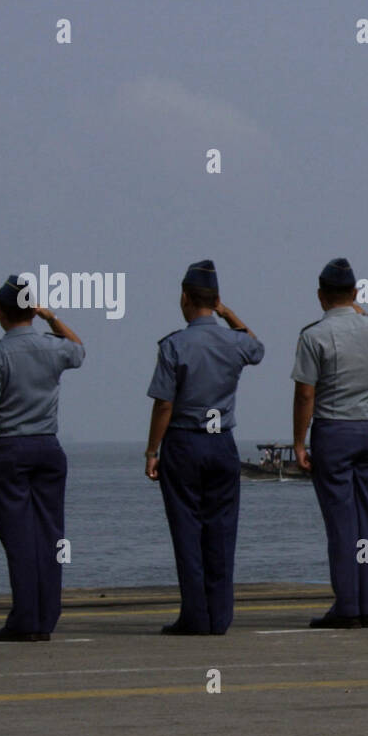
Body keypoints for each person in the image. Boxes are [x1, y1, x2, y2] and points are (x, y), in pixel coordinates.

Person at [145, 260, 263, 635]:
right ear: (215, 300)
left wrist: (152, 451)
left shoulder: (174, 345)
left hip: (183, 442)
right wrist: (227, 314)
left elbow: (164, 403)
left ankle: (195, 615)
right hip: (222, 444)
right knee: (222, 530)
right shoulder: (235, 341)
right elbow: (256, 347)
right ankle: (220, 615)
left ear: (184, 298)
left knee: (187, 530)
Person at [293, 258, 368, 628]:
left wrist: (298, 442)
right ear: (356, 293)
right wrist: (365, 315)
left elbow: (305, 395)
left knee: (342, 523)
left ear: (320, 296)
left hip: (334, 431)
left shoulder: (313, 336)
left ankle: (348, 605)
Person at [0, 275, 84, 641]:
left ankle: (25, 619)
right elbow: (78, 348)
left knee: (19, 538)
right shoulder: (53, 348)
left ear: (2, 313)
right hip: (48, 448)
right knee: (50, 536)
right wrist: (52, 319)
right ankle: (46, 618)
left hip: (10, 450)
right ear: (32, 311)